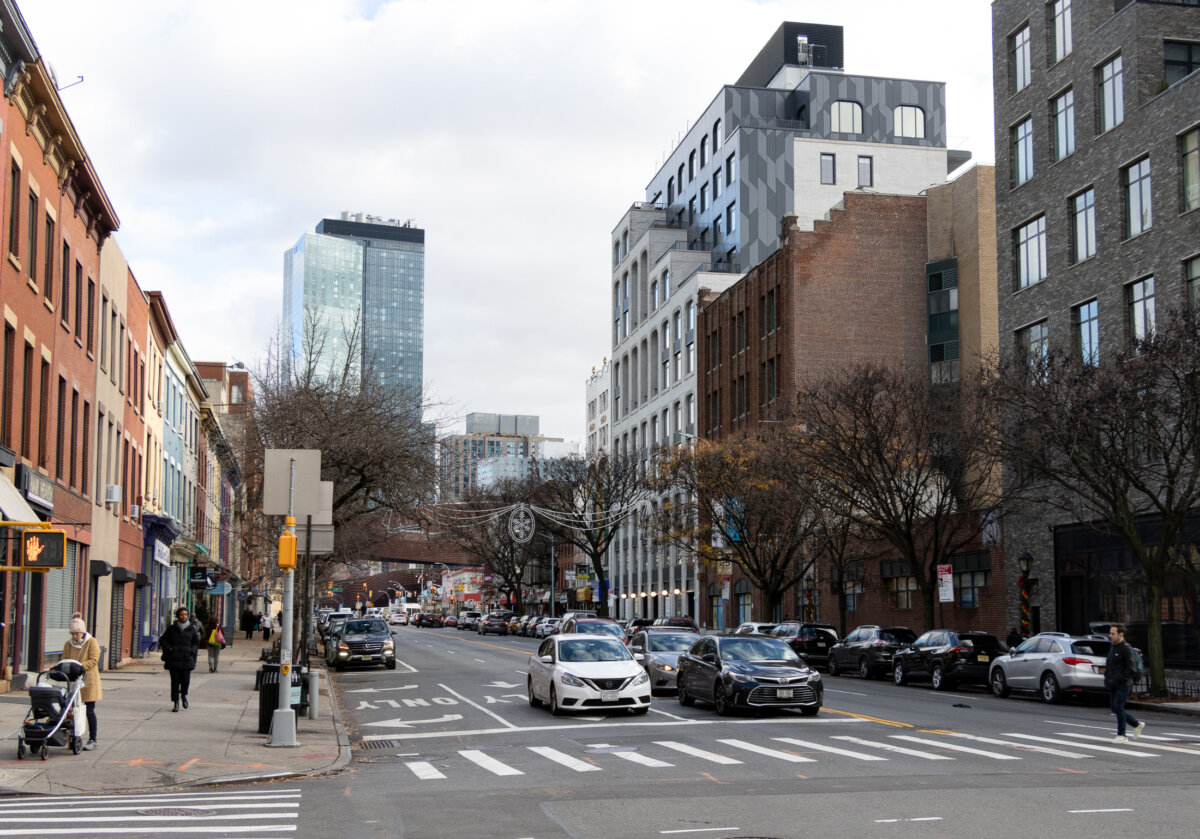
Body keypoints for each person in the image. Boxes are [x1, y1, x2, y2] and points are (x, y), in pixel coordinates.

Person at [62, 613, 101, 751]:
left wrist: (79, 667)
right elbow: (65, 659)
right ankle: (72, 738)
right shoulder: (68, 644)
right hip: (73, 682)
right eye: (72, 633)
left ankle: (93, 739)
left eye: (77, 633)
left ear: (82, 632)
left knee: (89, 711)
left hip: (88, 681)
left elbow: (94, 660)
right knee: (71, 711)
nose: (74, 636)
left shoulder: (92, 642)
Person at [1105, 623, 1145, 743]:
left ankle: (1122, 735)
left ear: (1121, 634)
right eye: (1110, 633)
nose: (1110, 635)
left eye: (1113, 633)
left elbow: (1131, 668)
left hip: (1124, 683)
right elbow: (1110, 666)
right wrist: (1107, 678)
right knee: (1114, 708)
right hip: (1113, 683)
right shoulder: (1113, 647)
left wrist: (1120, 679)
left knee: (1118, 707)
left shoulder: (1126, 649)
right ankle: (1136, 724)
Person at [159, 606, 201, 712]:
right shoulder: (172, 628)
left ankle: (183, 695)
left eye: (186, 614)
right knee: (175, 682)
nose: (184, 616)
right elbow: (163, 640)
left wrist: (192, 650)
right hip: (174, 659)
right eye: (182, 614)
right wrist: (170, 648)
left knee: (186, 681)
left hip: (187, 659)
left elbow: (196, 642)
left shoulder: (192, 628)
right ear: (178, 616)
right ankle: (176, 702)